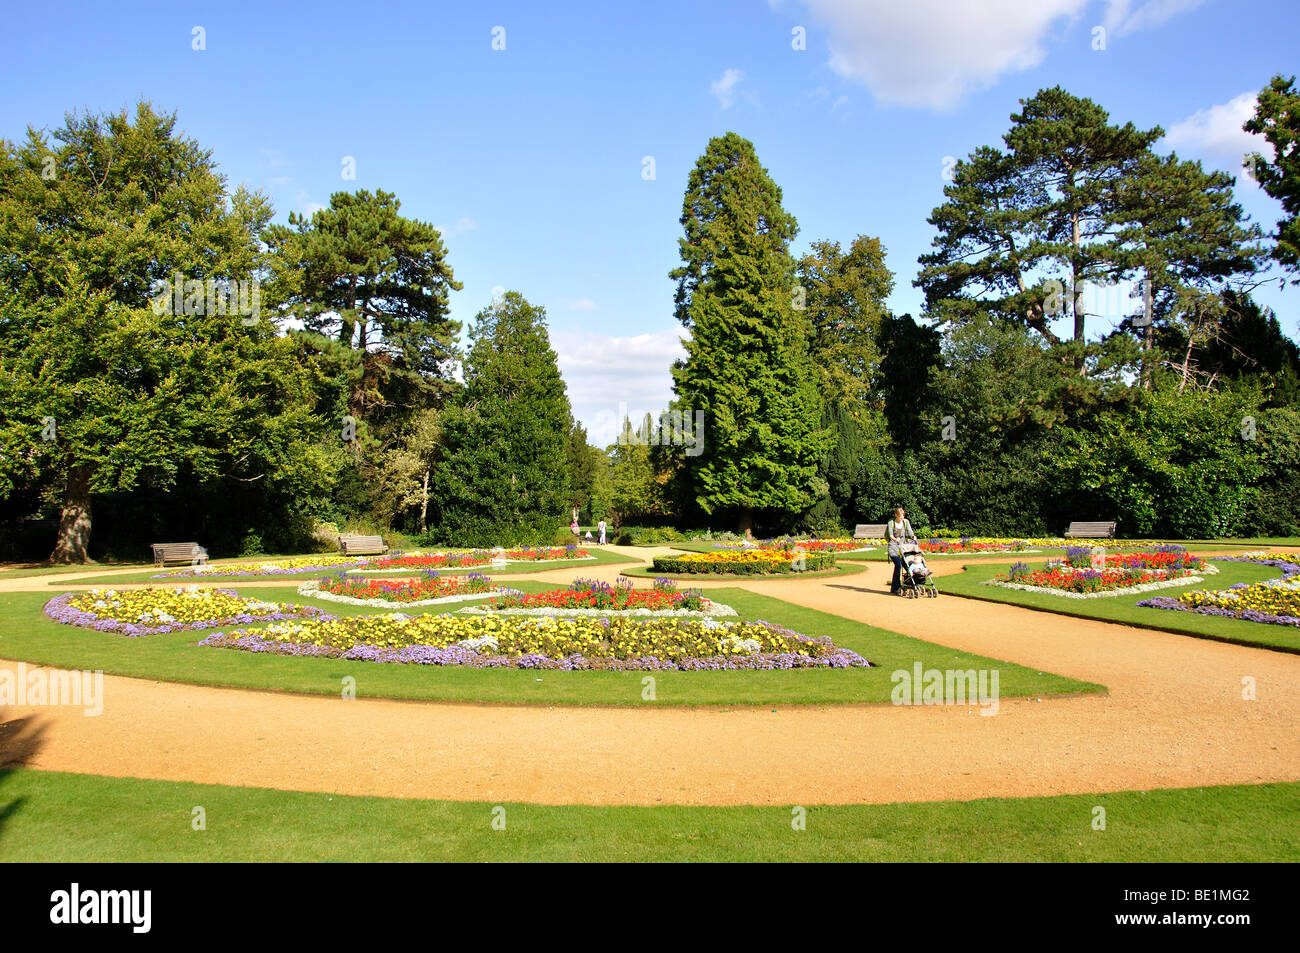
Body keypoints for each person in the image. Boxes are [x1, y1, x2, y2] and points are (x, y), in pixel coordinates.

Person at [886, 507, 917, 595]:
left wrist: (912, 537)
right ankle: (895, 588)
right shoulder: (891, 523)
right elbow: (890, 535)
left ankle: (911, 584)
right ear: (896, 515)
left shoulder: (906, 522)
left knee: (907, 565)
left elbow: (910, 532)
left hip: (903, 547)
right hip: (893, 547)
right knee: (898, 565)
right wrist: (896, 539)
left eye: (903, 515)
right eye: (900, 516)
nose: (902, 517)